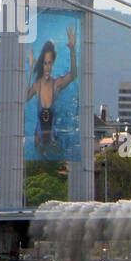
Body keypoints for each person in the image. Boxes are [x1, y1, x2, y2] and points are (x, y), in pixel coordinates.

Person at [26, 25, 78, 160]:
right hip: (38, 139)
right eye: (44, 63)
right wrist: (31, 68)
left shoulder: (56, 85)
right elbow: (25, 98)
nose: (47, 67)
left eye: (49, 63)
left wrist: (72, 49)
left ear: (53, 63)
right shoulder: (37, 85)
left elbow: (73, 75)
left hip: (52, 138)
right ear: (41, 64)